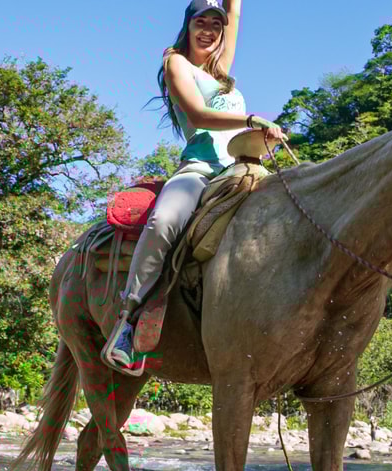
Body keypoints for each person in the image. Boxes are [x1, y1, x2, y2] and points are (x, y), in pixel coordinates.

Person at [104, 0, 286, 373]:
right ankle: (129, 320)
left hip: (244, 168)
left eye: (215, 25)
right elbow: (199, 115)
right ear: (187, 26)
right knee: (164, 222)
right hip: (201, 169)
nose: (209, 30)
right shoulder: (176, 63)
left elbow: (235, 11)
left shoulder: (221, 71)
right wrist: (251, 119)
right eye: (201, 22)